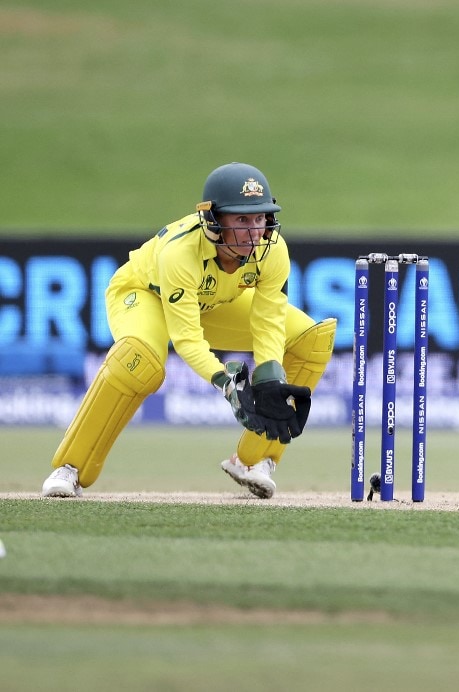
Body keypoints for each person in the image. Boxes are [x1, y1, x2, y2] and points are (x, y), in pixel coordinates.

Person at [41, 162, 336, 499]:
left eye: (260, 218)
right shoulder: (180, 253)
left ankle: (254, 460)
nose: (254, 231)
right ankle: (70, 468)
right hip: (145, 294)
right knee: (139, 364)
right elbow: (186, 339)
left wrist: (269, 375)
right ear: (214, 220)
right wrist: (226, 383)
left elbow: (268, 320)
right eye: (241, 219)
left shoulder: (273, 250)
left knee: (310, 340)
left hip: (210, 305)